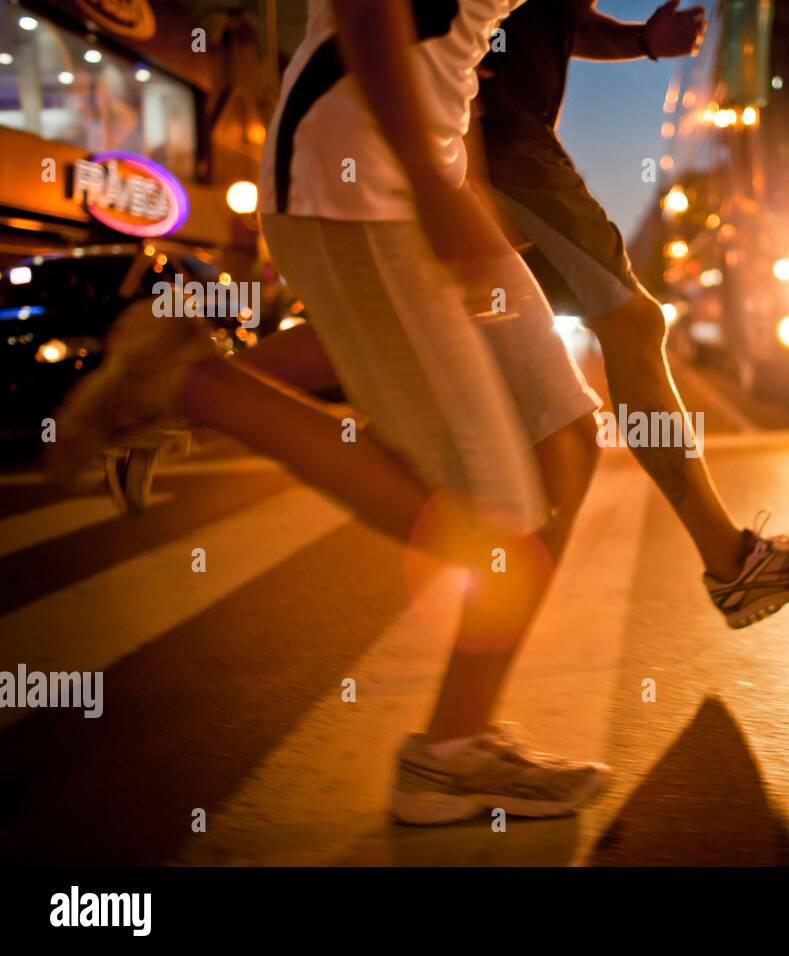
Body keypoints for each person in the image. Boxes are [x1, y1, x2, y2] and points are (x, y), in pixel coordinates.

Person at [47, 0, 613, 825]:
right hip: (356, 183)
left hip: (429, 171)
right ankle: (184, 385)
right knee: (491, 519)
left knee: (566, 441)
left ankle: (455, 750)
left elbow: (458, 41)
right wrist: (427, 179)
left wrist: (468, 181)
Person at [251, 0, 789, 629]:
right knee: (629, 327)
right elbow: (377, 15)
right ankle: (731, 562)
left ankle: (169, 389)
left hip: (472, 139)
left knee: (401, 355)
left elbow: (555, 15)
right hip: (494, 140)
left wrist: (641, 42)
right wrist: (443, 174)